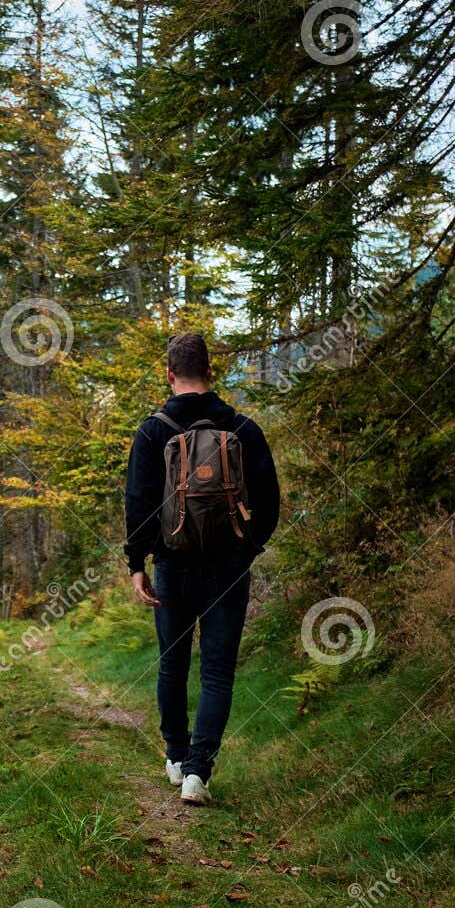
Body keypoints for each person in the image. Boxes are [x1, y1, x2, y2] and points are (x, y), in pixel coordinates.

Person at [123, 332, 280, 805]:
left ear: (169, 375)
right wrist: (247, 548)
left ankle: (175, 757)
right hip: (228, 565)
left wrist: (137, 563)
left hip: (173, 564)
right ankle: (198, 773)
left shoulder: (152, 432)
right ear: (211, 372)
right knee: (217, 671)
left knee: (172, 663)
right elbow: (269, 502)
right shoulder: (244, 428)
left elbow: (139, 503)